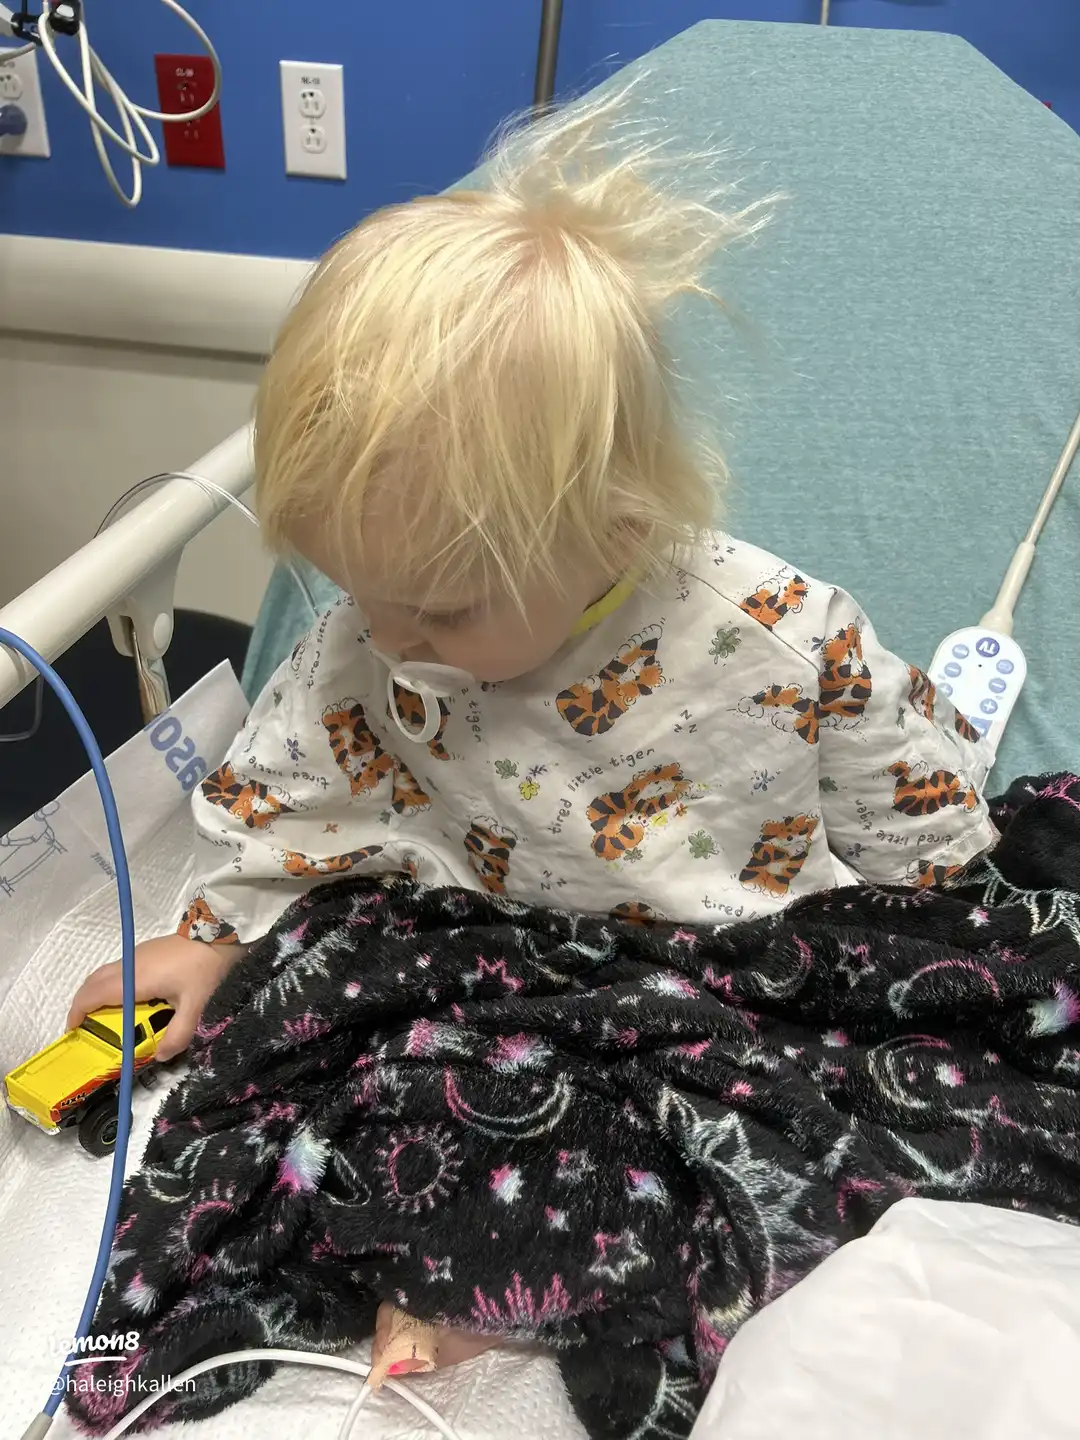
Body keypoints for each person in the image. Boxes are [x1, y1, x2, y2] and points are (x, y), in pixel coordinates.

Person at [67, 87, 995, 1373]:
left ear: (613, 525)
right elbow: (295, 795)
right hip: (481, 967)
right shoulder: (375, 627)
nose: (387, 639)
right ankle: (444, 1259)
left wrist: (939, 959)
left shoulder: (774, 635)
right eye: (359, 591)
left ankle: (513, 1275)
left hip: (714, 974)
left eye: (437, 608)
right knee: (364, 1078)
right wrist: (214, 940)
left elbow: (921, 823)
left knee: (795, 1140)